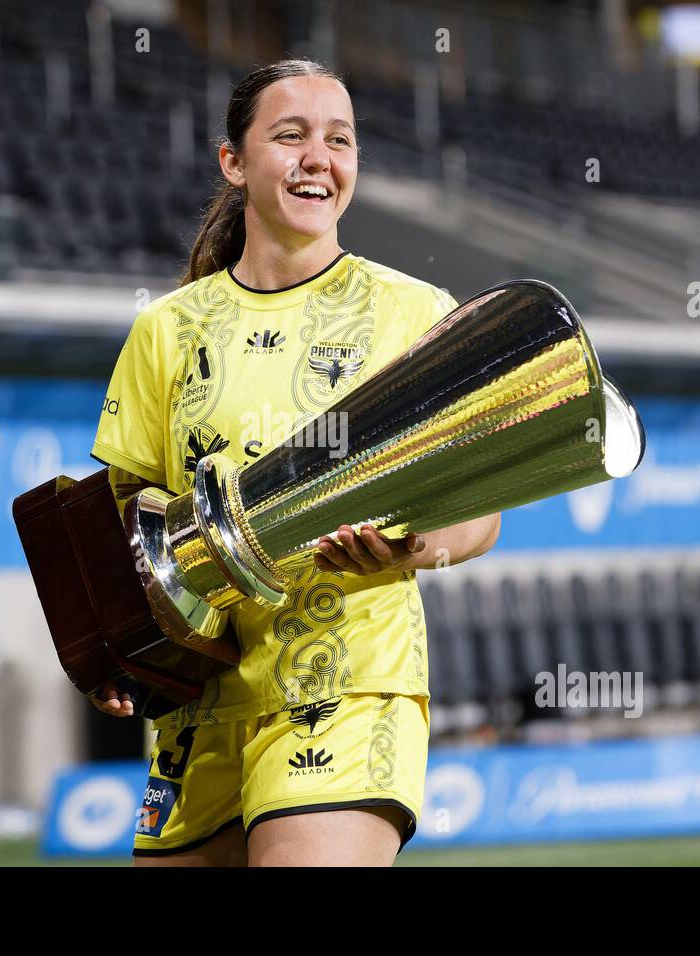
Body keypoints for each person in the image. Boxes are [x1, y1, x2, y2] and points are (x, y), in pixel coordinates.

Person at [87, 59, 500, 866]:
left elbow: (479, 512)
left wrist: (414, 548)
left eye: (339, 139)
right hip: (197, 699)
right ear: (234, 163)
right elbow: (123, 520)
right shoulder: (167, 330)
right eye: (291, 135)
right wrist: (112, 649)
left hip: (348, 682)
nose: (320, 156)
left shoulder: (415, 314)